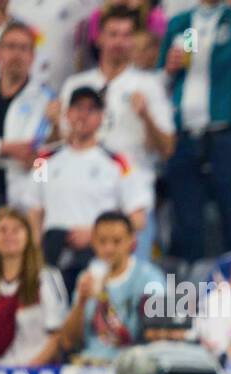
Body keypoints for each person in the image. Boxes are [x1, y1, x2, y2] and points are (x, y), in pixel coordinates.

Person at [59, 8, 176, 262]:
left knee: (131, 287)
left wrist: (146, 117)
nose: (119, 42)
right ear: (99, 38)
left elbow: (167, 148)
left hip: (131, 199)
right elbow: (58, 147)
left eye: (126, 35)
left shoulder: (149, 85)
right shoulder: (75, 85)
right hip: (82, 200)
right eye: (113, 34)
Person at [158, 0, 231, 265]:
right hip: (184, 134)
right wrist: (169, 69)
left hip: (226, 133)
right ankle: (188, 294)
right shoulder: (181, 23)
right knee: (186, 220)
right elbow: (161, 81)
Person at [27, 87, 148, 289]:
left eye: (91, 109)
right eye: (78, 108)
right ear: (67, 114)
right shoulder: (44, 159)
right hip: (53, 251)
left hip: (98, 255)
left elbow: (137, 217)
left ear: (101, 117)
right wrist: (35, 253)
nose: (83, 114)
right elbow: (34, 210)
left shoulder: (119, 162)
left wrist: (96, 233)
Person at [59, 210, 164, 363]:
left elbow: (160, 334)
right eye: (102, 241)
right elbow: (68, 342)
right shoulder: (87, 277)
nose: (109, 249)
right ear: (93, 242)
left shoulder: (150, 278)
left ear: (131, 240)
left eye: (116, 241)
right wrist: (81, 302)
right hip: (90, 364)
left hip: (132, 366)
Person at [0, 205, 67, 366]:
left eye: (16, 230)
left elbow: (57, 335)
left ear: (28, 235)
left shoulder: (47, 277)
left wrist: (27, 371)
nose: (9, 236)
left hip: (35, 372)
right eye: (2, 230)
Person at [0, 21, 52, 209]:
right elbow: (15, 149)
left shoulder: (47, 100)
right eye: (10, 47)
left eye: (23, 48)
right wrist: (3, 148)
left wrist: (38, 200)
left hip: (21, 195)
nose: (16, 54)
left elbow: (43, 156)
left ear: (32, 56)